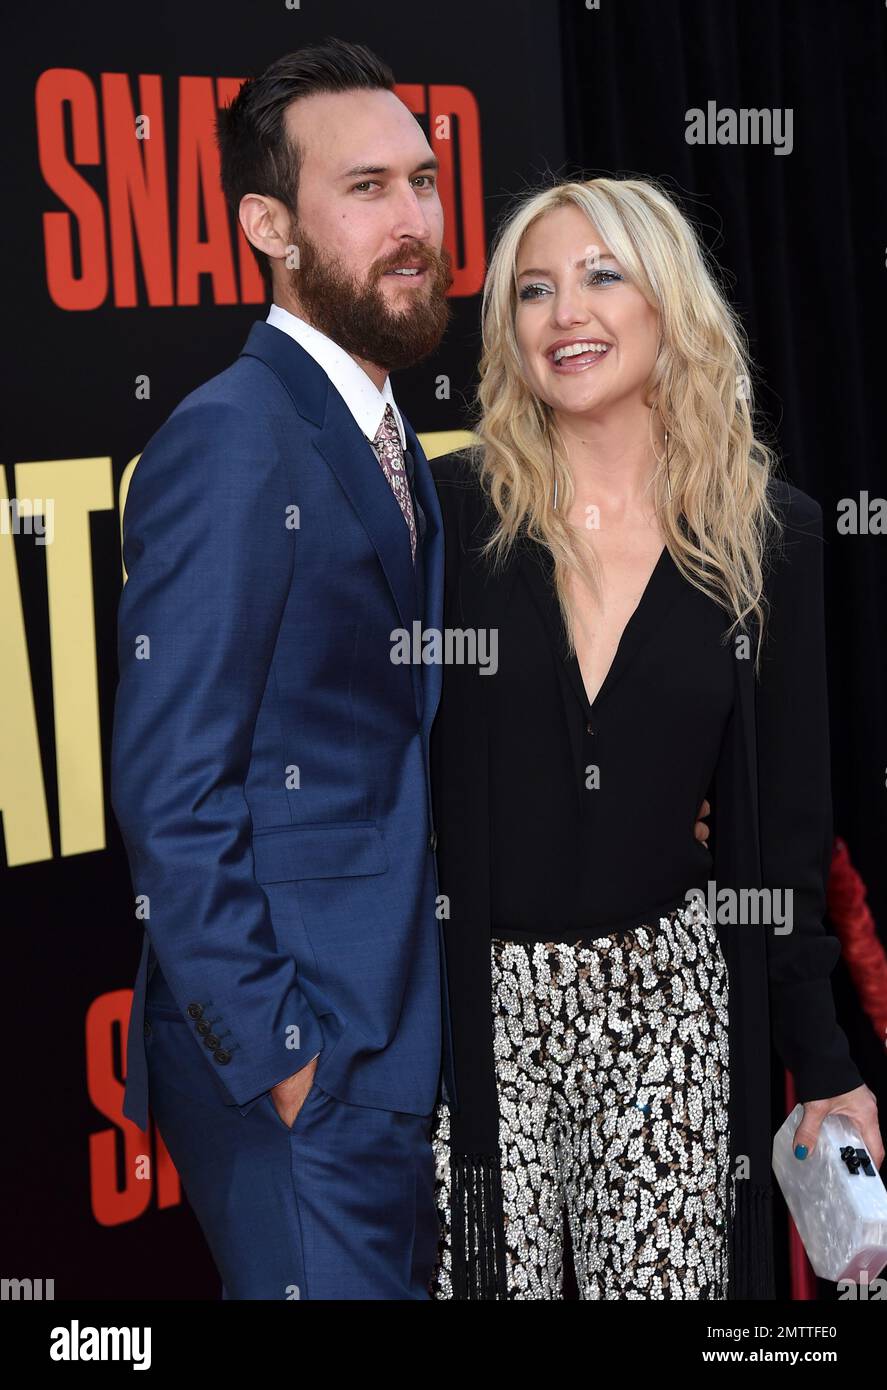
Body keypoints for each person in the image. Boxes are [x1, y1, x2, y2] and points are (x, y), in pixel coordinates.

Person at [426, 175, 884, 1300]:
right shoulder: (446, 514)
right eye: (531, 290)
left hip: (669, 1007)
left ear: (667, 305)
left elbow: (784, 836)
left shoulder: (765, 536)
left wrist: (822, 1065)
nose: (560, 311)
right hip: (476, 1018)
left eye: (598, 276)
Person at [110, 37, 456, 1300]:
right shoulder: (231, 438)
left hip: (392, 1049)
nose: (414, 219)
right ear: (269, 224)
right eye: (365, 189)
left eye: (421, 181)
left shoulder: (384, 433)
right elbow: (167, 792)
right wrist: (280, 1056)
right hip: (303, 1078)